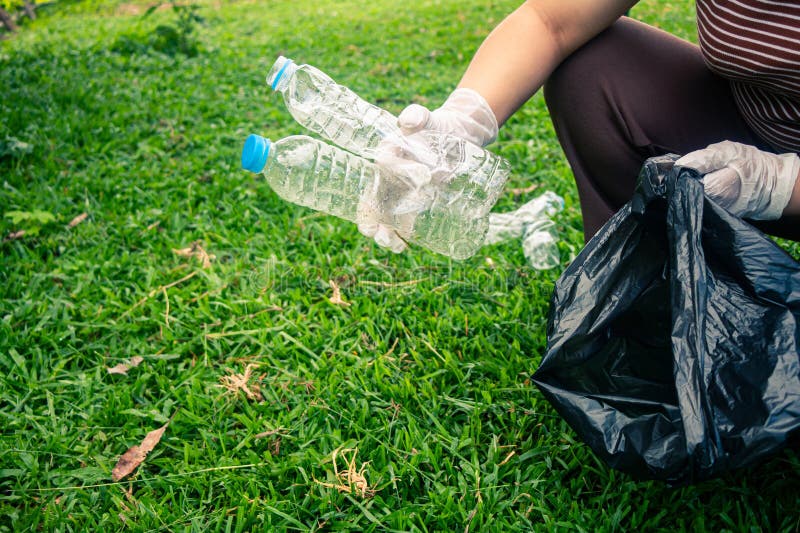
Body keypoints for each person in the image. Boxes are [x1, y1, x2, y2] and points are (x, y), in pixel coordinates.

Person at [358, 0, 800, 251]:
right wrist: (460, 122)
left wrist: (778, 184)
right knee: (592, 69)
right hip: (756, 126)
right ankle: (643, 299)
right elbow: (552, 20)